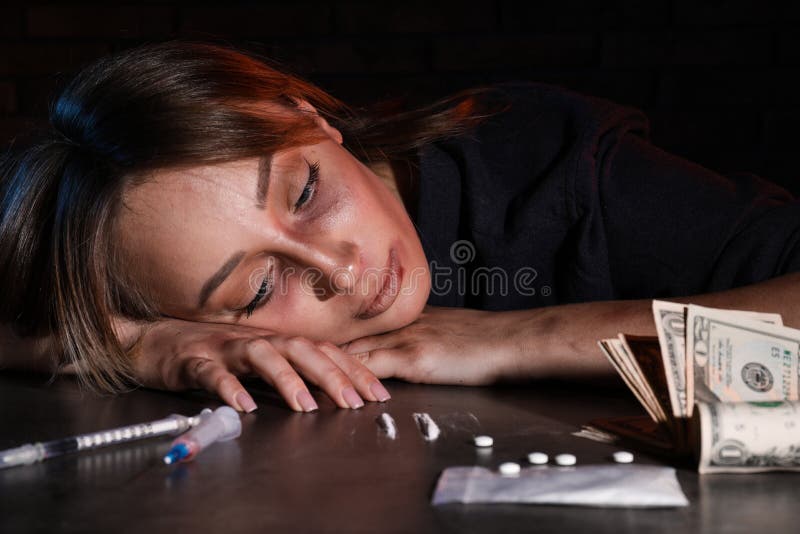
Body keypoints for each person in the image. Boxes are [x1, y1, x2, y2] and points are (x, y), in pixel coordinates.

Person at [2, 41, 799, 415]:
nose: (341, 272)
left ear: (305, 115)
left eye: (306, 192)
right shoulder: (177, 325)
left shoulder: (543, 159)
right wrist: (139, 344)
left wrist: (519, 339)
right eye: (258, 288)